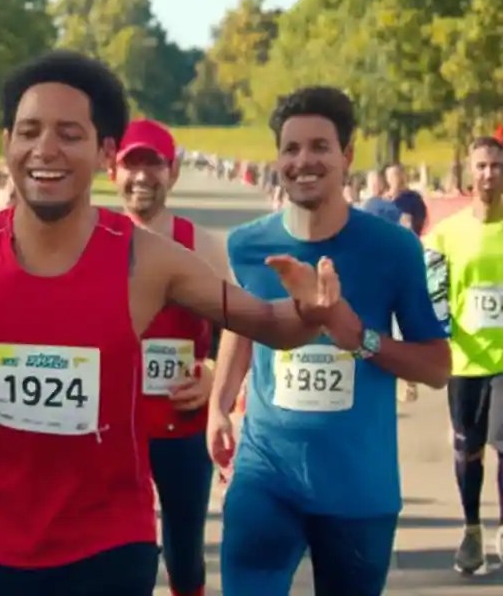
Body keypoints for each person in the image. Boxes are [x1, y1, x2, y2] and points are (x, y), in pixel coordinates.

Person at [0, 51, 361, 596]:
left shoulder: (147, 259)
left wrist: (311, 312)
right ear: (6, 143)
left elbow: (271, 324)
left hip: (108, 548)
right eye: (29, 131)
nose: (45, 149)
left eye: (69, 134)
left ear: (104, 153)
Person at [209, 86, 450, 596]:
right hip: (265, 473)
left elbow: (437, 367)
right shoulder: (249, 245)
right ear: (277, 159)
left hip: (357, 487)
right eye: (291, 149)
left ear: (347, 156)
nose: (303, 160)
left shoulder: (393, 249)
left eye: (319, 146)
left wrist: (357, 336)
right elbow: (242, 328)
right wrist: (219, 403)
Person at [112, 118, 225, 596]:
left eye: (153, 164)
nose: (142, 176)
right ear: (113, 172)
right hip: (116, 426)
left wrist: (215, 377)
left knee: (184, 547)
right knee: (121, 549)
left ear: (172, 172)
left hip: (182, 420)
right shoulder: (97, 239)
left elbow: (240, 325)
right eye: (131, 164)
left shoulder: (199, 244)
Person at [423, 135, 503, 574]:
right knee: (467, 451)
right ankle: (472, 528)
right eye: (482, 166)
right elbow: (432, 299)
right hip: (465, 360)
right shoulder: (445, 235)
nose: (489, 173)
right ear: (470, 172)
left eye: (496, 165)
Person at [385, 162, 429, 235]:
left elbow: (420, 223)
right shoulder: (384, 200)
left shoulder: (413, 198)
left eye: (394, 175)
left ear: (402, 176)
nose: (391, 179)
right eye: (388, 176)